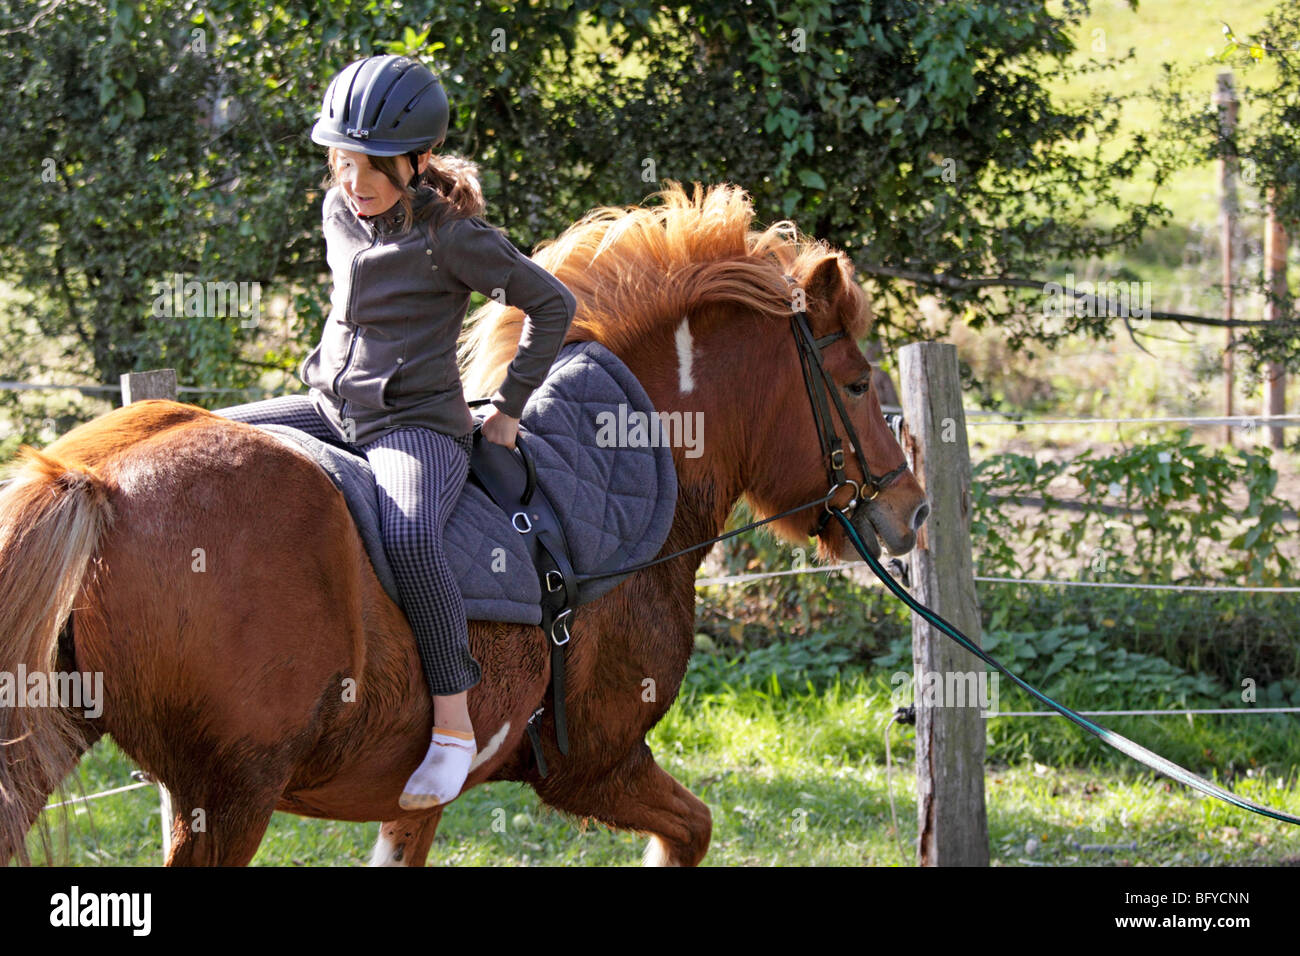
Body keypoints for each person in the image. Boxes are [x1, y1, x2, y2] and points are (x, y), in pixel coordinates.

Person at [214, 54, 577, 810]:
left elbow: (551, 305)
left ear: (416, 160)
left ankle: (450, 726)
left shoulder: (456, 238)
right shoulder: (337, 210)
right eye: (342, 161)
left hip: (414, 429)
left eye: (372, 166)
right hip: (328, 407)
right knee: (204, 438)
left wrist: (508, 407)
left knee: (411, 536)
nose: (354, 181)